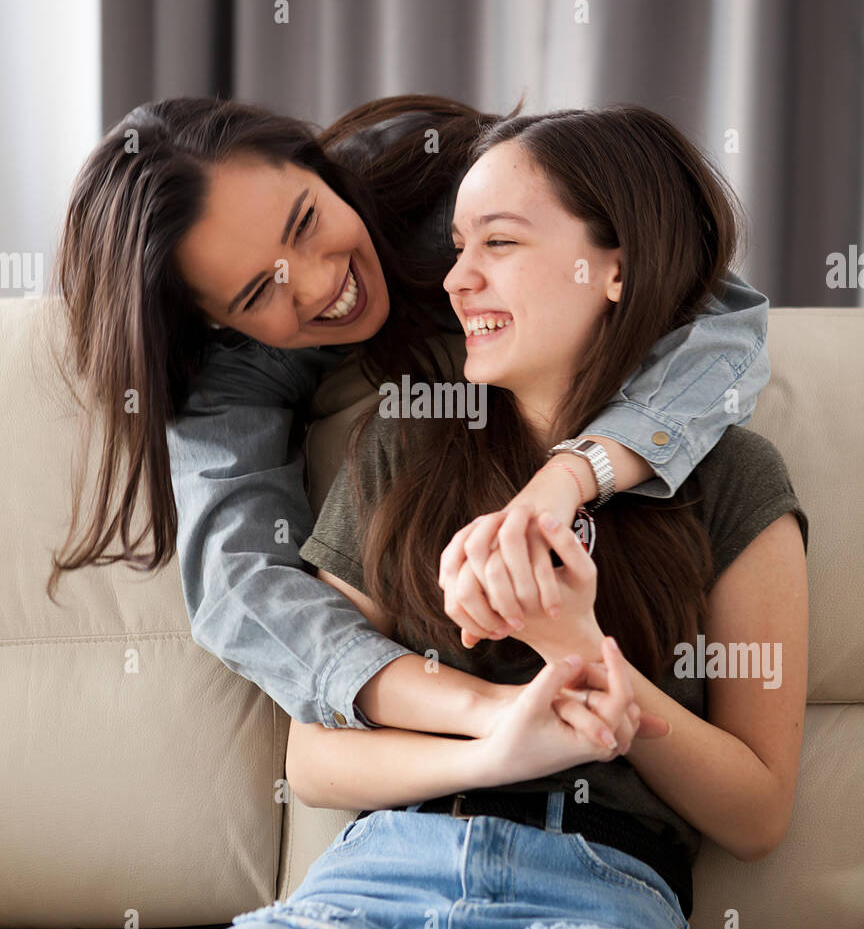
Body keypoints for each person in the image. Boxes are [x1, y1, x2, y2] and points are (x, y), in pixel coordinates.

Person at [45, 104, 808, 929]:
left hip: (591, 907)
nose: (453, 280)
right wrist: (498, 739)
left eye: (496, 243)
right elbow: (299, 721)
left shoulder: (731, 475)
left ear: (616, 264)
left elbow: (759, 809)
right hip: (370, 889)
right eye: (259, 292)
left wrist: (576, 635)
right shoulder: (407, 444)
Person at [47, 94, 771, 748]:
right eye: (255, 293)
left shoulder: (436, 189)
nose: (319, 281)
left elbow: (719, 314)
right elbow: (241, 591)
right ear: (211, 324)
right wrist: (487, 714)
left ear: (320, 169)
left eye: (305, 223)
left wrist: (565, 480)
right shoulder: (227, 375)